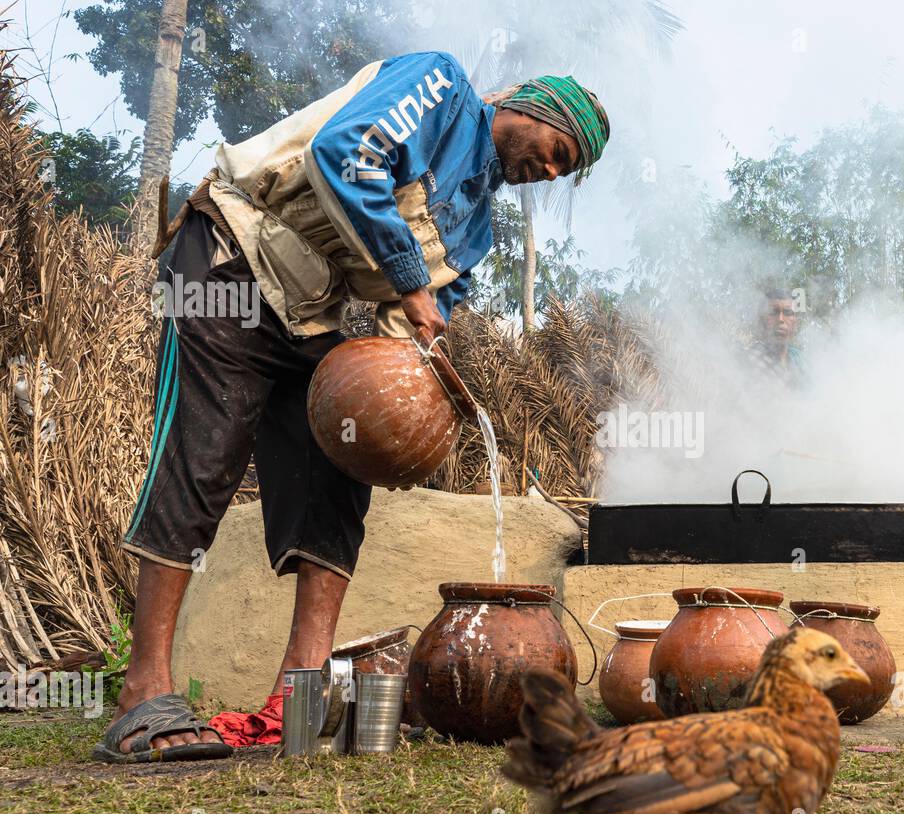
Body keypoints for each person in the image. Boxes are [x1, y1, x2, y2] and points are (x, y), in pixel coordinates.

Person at [92, 54, 610, 762]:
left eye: (564, 171)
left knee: (338, 483)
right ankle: (143, 692)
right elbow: (349, 152)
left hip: (310, 315)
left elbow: (414, 333)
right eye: (557, 153)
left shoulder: (477, 230)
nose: (550, 173)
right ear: (527, 111)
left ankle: (296, 695)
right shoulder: (442, 87)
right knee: (203, 459)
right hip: (230, 265)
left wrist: (410, 404)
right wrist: (408, 281)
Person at [746, 288, 805, 387]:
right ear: (762, 321)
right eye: (773, 312)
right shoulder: (748, 362)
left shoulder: (801, 361)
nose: (780, 319)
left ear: (796, 323)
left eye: (787, 313)